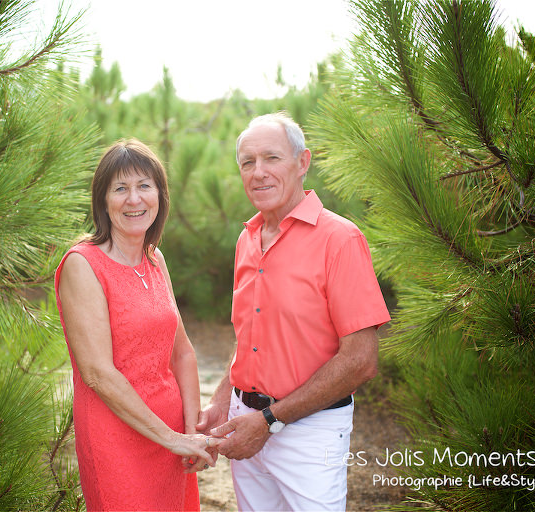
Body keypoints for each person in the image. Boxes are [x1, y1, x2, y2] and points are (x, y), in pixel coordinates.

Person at [197, 112, 391, 511]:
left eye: (272, 158)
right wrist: (223, 397)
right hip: (245, 420)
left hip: (309, 431)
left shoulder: (340, 239)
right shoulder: (247, 239)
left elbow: (361, 361)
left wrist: (270, 421)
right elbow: (251, 338)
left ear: (302, 163)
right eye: (247, 162)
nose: (259, 172)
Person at [54, 139, 219, 511]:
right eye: (120, 188)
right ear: (103, 200)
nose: (134, 199)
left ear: (159, 196)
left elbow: (183, 353)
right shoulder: (83, 264)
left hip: (172, 431)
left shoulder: (155, 260)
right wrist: (171, 438)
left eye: (144, 186)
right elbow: (97, 372)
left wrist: (190, 432)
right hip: (116, 436)